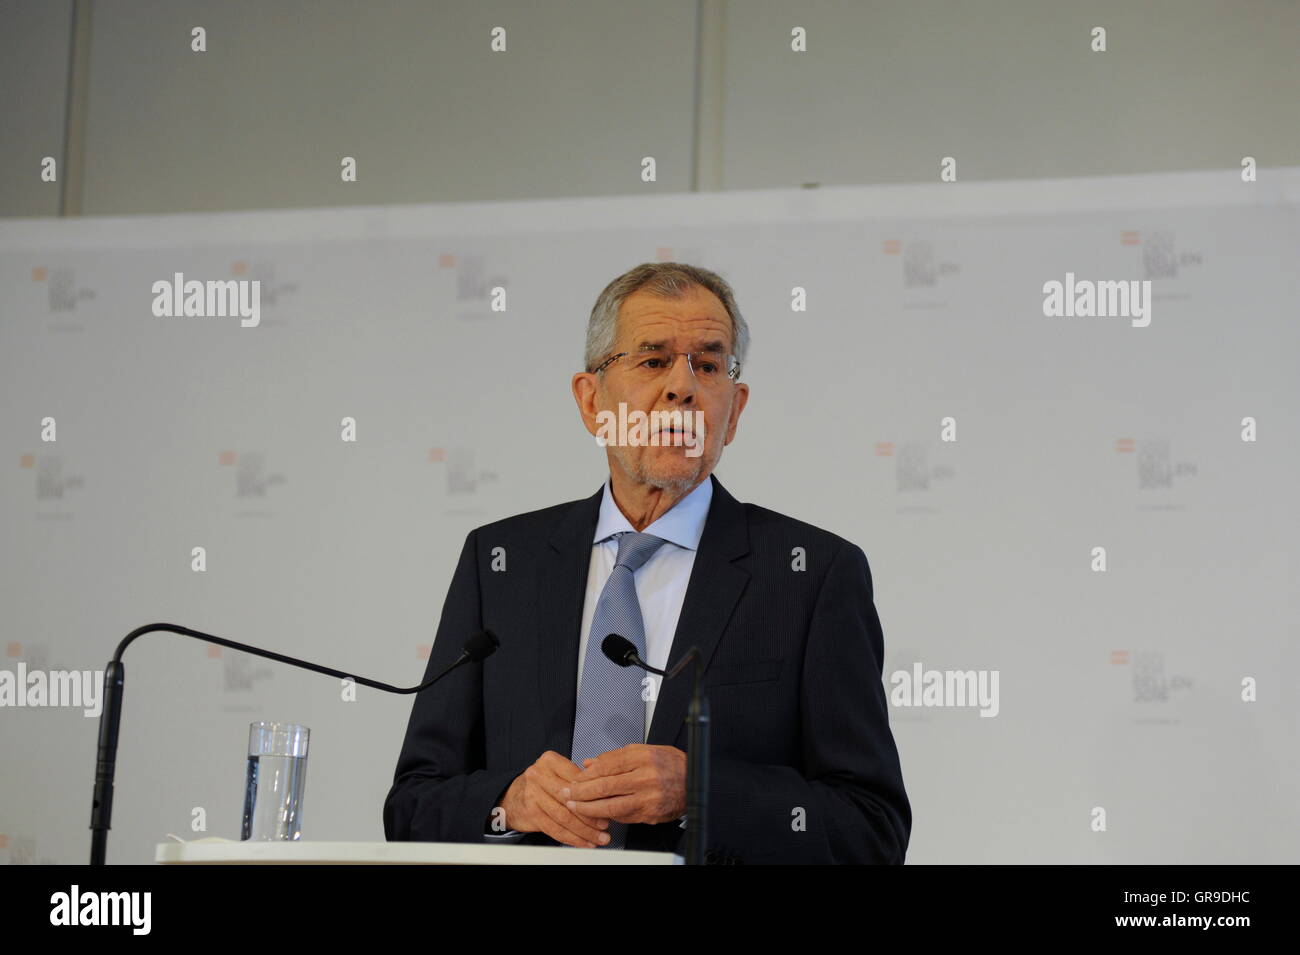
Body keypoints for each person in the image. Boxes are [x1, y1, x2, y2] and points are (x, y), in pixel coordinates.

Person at [383, 262, 910, 863]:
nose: (682, 386)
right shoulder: (500, 562)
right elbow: (411, 808)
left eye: (707, 365)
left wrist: (701, 791)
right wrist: (508, 804)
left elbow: (873, 830)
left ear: (732, 412)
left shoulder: (813, 575)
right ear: (591, 402)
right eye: (654, 360)